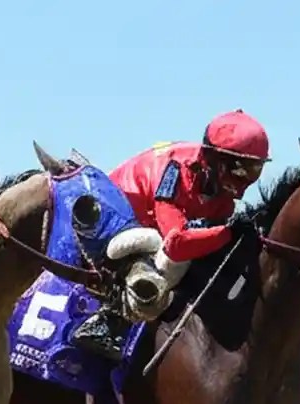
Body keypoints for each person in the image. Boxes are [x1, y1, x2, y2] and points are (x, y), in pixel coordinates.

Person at [70, 109, 271, 360]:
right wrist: (228, 232)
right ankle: (108, 322)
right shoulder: (175, 170)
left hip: (149, 225)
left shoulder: (220, 192)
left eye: (254, 170)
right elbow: (176, 244)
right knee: (164, 251)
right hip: (111, 221)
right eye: (238, 168)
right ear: (213, 158)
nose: (244, 179)